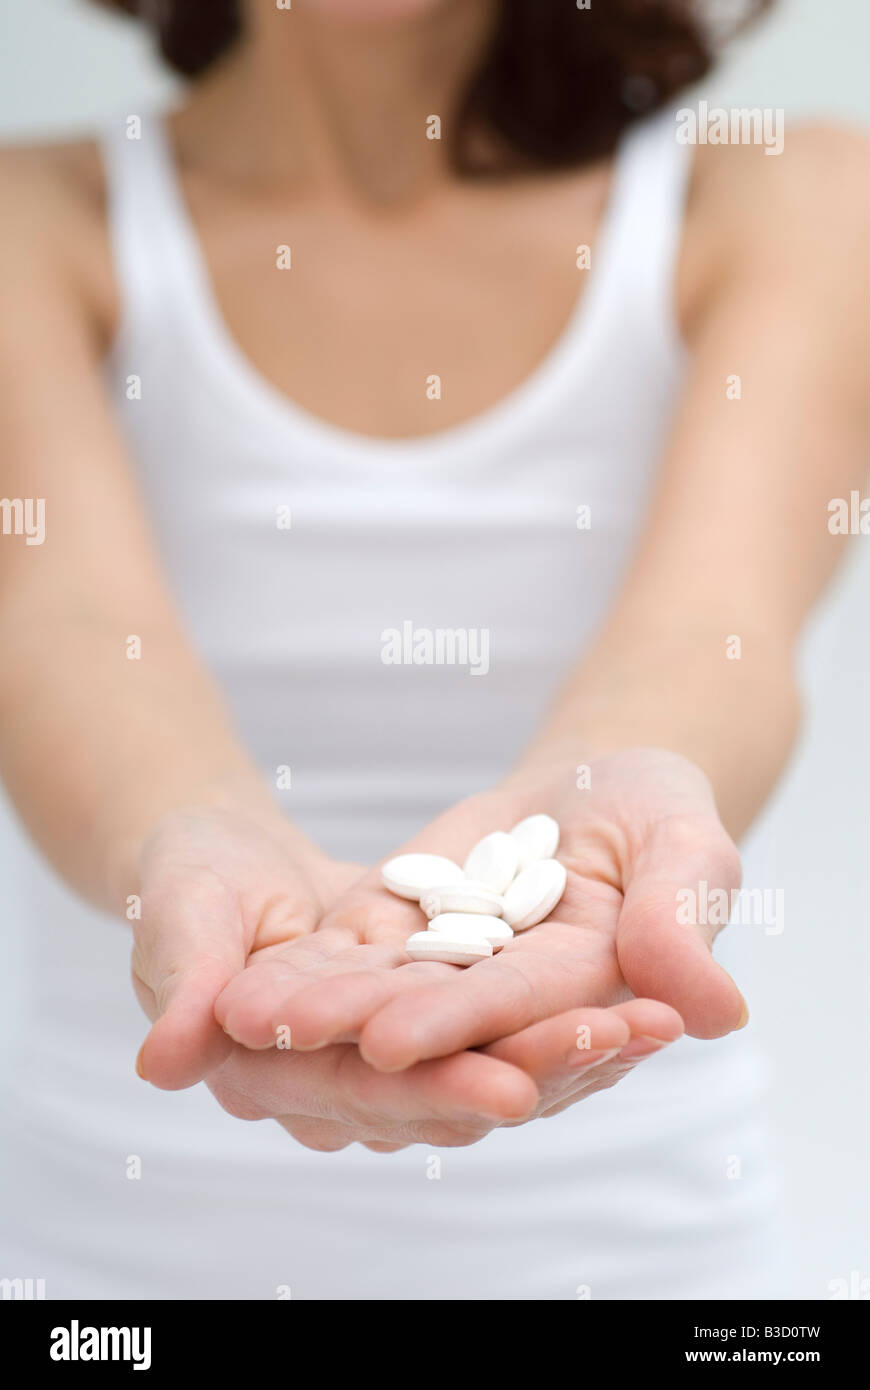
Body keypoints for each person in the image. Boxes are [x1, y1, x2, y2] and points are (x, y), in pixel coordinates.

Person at [0, 0, 867, 1300]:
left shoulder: (792, 192)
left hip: (641, 1260)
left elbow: (712, 629)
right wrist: (187, 838)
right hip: (104, 1277)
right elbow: (63, 630)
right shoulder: (33, 219)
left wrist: (606, 793)